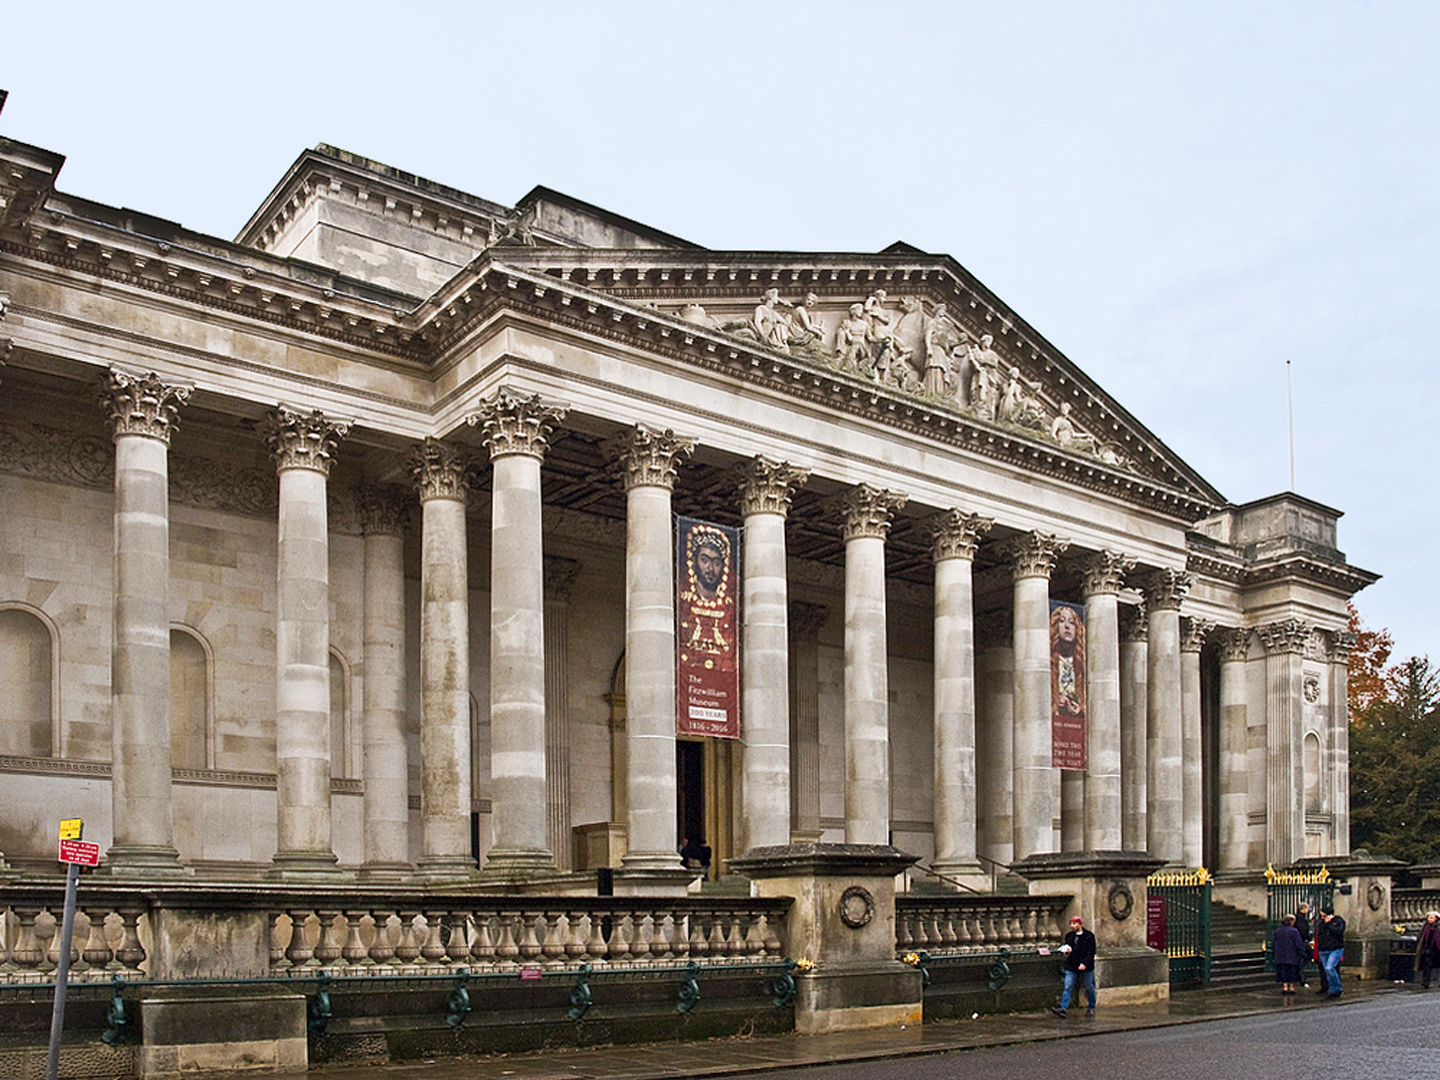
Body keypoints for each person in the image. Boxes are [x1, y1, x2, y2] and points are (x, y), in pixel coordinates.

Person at [1050, 914, 1097, 1018]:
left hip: (1086, 966)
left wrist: (1084, 963)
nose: (1072, 926)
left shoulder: (1089, 936)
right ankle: (1063, 1008)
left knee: (1089, 986)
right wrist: (1066, 952)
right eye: (1071, 923)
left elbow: (1091, 952)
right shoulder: (1069, 936)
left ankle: (1091, 1007)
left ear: (1080, 924)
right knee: (1068, 986)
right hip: (1072, 966)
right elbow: (1068, 949)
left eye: (1074, 923)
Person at [1272, 913, 1306, 997]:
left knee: (1283, 972)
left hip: (1280, 955)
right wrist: (1302, 952)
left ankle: (1285, 987)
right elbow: (1298, 944)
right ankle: (1291, 987)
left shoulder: (1278, 931)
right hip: (1292, 955)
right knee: (1291, 972)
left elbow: (1274, 943)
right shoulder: (1294, 931)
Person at [1316, 904, 1346, 998]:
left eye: (1324, 916)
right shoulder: (1321, 923)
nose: (1322, 918)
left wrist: (1329, 924)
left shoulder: (1338, 921)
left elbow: (1339, 931)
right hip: (1324, 949)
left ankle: (1337, 989)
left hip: (1335, 949)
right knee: (1327, 971)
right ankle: (1332, 989)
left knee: (1330, 968)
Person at [1417, 911, 1440, 988]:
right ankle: (1425, 982)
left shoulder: (1438, 927)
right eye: (1429, 918)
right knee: (1427, 965)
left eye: (1431, 918)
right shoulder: (1426, 927)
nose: (1429, 919)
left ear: (1436, 918)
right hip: (1428, 949)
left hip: (1438, 948)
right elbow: (1421, 936)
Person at [1295, 901, 1312, 988]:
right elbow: (1302, 930)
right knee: (1304, 957)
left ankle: (1300, 976)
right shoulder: (1300, 918)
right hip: (1301, 941)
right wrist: (1308, 938)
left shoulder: (1299, 918)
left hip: (1301, 940)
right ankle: (1300, 977)